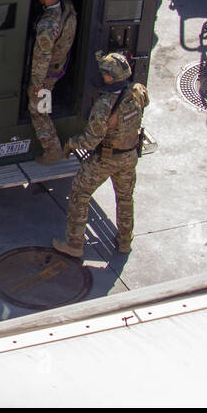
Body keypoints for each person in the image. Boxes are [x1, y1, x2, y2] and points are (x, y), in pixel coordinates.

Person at [52, 52, 150, 259]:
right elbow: (144, 102)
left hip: (106, 158)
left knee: (79, 194)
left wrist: (71, 143)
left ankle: (74, 244)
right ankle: (124, 241)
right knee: (125, 197)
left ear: (109, 78)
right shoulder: (138, 91)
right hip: (129, 155)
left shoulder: (105, 105)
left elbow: (90, 140)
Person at [28, 0, 78, 164]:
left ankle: (52, 150)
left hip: (48, 72)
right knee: (44, 101)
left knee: (38, 108)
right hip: (60, 63)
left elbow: (42, 58)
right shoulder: (66, 5)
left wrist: (37, 86)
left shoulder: (48, 25)